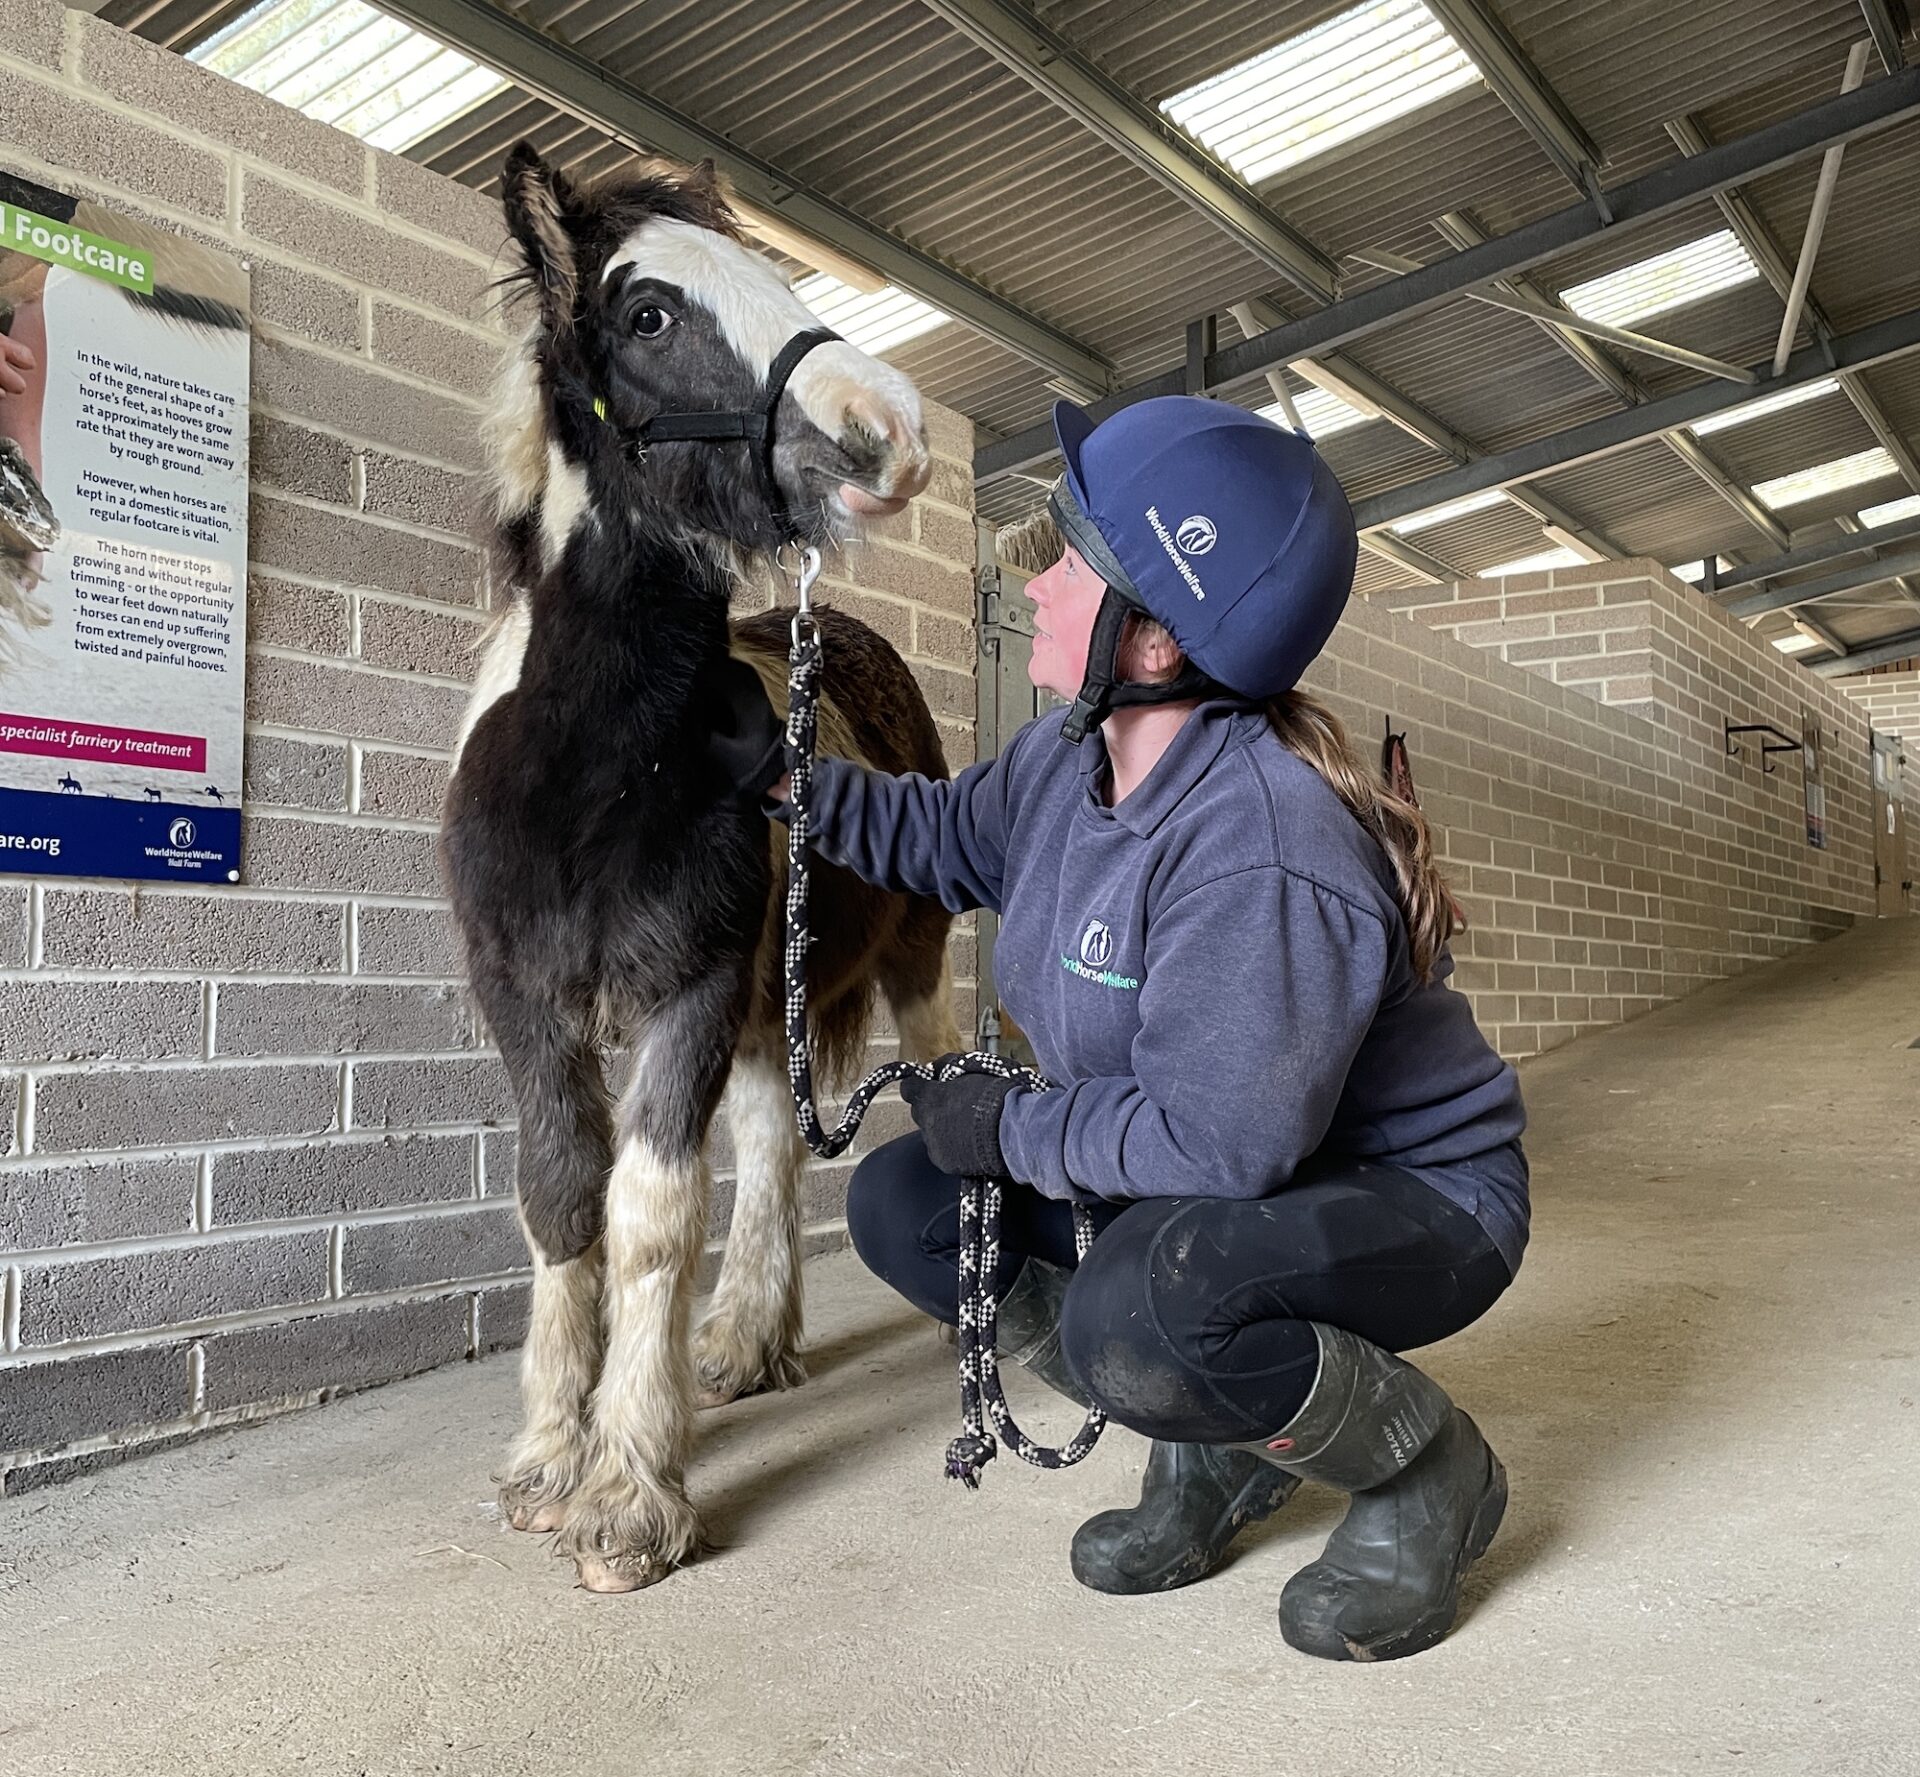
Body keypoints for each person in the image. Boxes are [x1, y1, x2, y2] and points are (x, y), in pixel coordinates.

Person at [711, 395, 1528, 1662]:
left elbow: (1218, 1148)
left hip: (1413, 1197)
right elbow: (937, 838)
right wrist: (781, 778)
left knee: (1142, 1311)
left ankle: (1426, 1467)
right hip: (1246, 1170)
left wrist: (1019, 1126)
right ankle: (1227, 1451)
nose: (1036, 589)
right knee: (906, 1208)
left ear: (1152, 645)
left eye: (1070, 567)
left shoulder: (1258, 844)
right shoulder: (1062, 759)